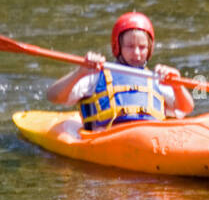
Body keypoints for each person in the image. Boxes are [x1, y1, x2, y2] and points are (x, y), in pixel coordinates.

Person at [47, 12, 194, 130]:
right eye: (130, 46)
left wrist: (177, 85)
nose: (136, 53)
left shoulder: (156, 79)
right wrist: (80, 72)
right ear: (117, 47)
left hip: (149, 135)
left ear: (150, 49)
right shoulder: (97, 75)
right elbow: (53, 96)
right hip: (110, 137)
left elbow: (186, 109)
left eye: (142, 47)